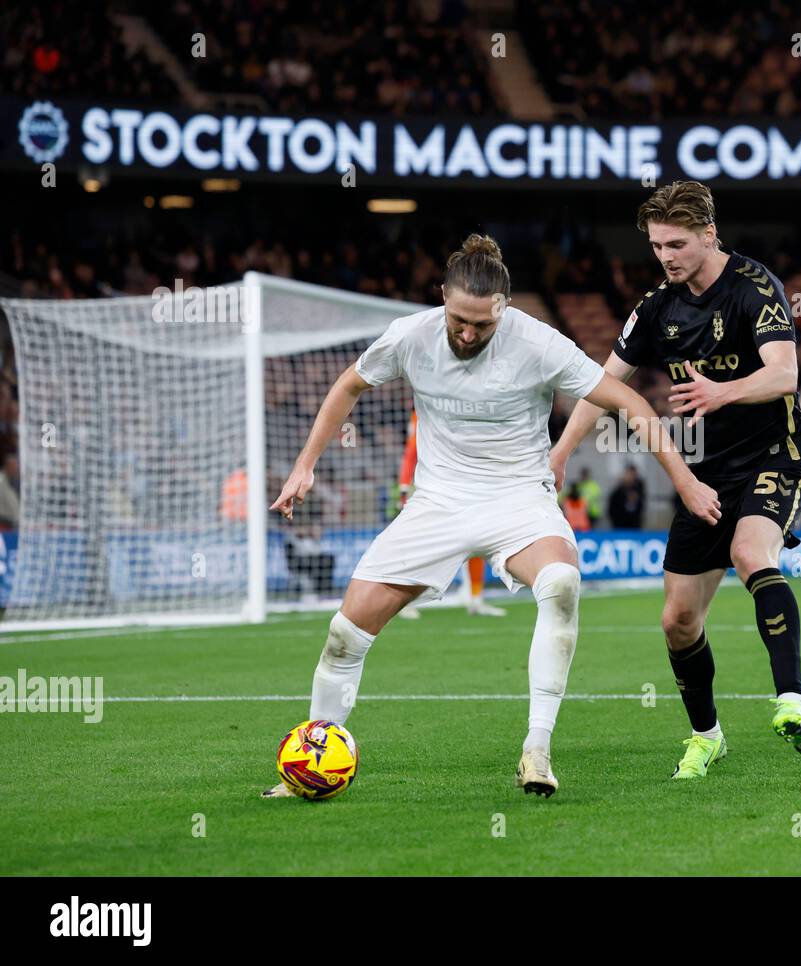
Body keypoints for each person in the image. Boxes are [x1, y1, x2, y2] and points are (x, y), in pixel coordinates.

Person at [264, 234, 719, 799]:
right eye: (459, 319)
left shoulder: (538, 342)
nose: (467, 333)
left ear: (504, 308)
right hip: (436, 502)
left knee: (560, 583)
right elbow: (350, 384)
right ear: (443, 300)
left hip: (518, 498)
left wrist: (684, 480)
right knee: (344, 634)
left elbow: (629, 402)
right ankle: (311, 765)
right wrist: (305, 465)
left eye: (482, 324)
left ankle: (537, 750)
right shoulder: (412, 335)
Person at [552, 180, 801, 779]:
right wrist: (563, 450)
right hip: (705, 473)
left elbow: (784, 375)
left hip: (774, 453)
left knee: (752, 552)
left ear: (709, 235)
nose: (665, 256)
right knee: (677, 619)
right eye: (656, 246)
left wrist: (721, 391)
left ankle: (792, 700)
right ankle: (707, 737)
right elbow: (605, 385)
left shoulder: (755, 288)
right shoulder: (655, 308)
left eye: (676, 244)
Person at [394, 410, 504, 618]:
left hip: (461, 485)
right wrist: (404, 486)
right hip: (430, 488)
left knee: (477, 539)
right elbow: (412, 450)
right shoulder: (423, 410)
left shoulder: (460, 406)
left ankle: (475, 598)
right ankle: (403, 600)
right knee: (422, 547)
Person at [607, 464, 646, 529]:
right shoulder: (618, 491)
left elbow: (641, 505)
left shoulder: (639, 489)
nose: (631, 477)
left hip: (634, 525)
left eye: (633, 475)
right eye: (629, 474)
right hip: (620, 525)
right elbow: (612, 507)